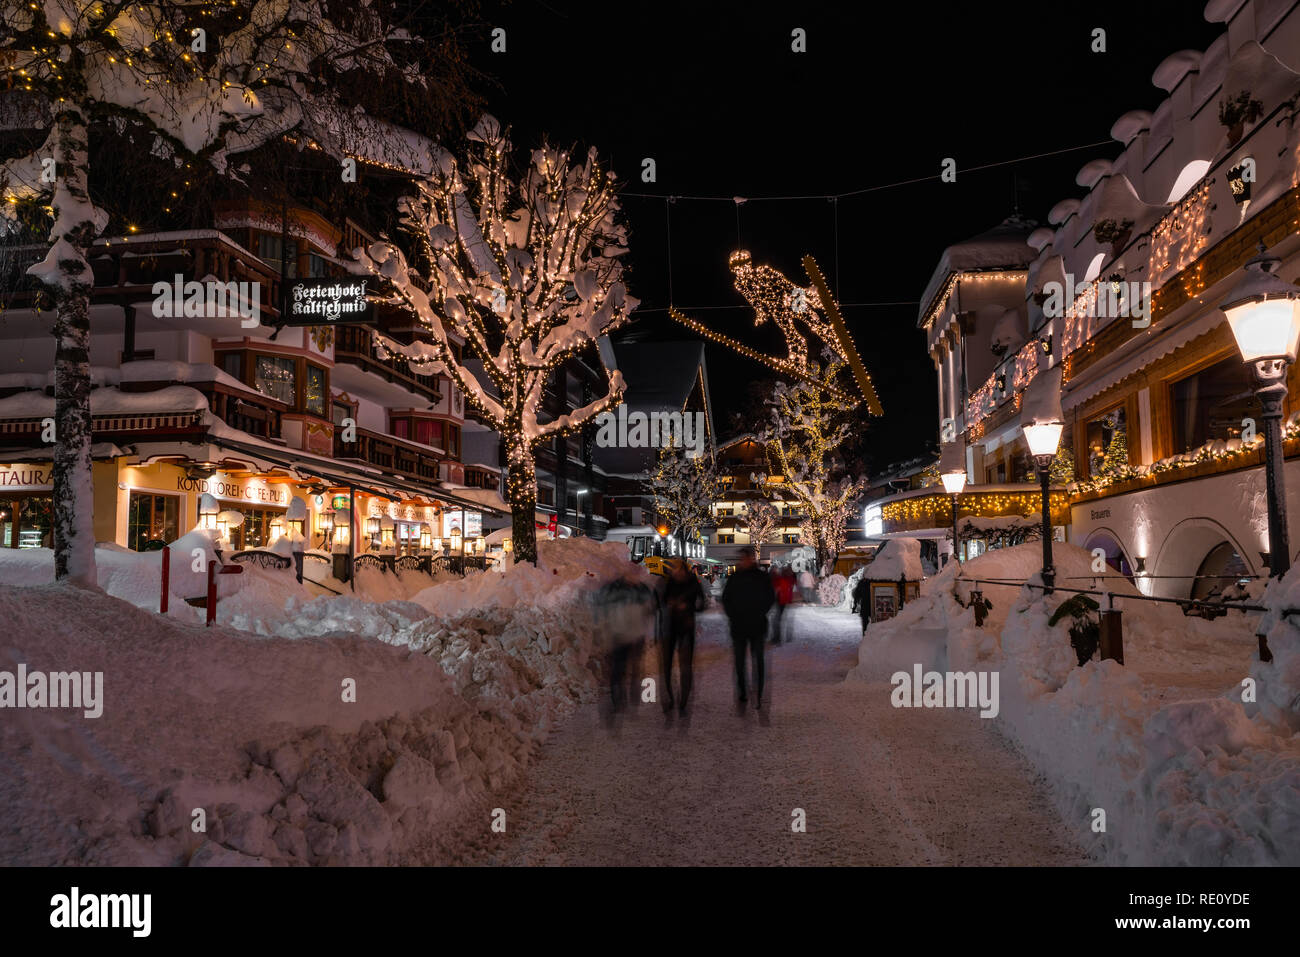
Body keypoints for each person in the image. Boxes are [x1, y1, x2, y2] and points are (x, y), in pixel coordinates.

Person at [592, 572, 655, 715]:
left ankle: (631, 697)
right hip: (620, 635)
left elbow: (650, 609)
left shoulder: (641, 590)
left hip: (635, 634)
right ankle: (619, 700)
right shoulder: (616, 590)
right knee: (620, 668)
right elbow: (602, 605)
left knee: (634, 667)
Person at [722, 546, 776, 710]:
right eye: (742, 559)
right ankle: (743, 692)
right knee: (739, 663)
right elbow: (726, 599)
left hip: (756, 625)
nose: (743, 561)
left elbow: (770, 598)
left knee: (757, 661)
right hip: (739, 626)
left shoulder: (761, 577)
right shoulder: (735, 577)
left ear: (752, 559)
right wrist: (733, 615)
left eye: (746, 558)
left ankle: (758, 694)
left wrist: (760, 612)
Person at [658, 559, 706, 716]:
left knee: (686, 666)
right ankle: (670, 698)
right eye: (673, 569)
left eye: (677, 569)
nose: (675, 572)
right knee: (667, 665)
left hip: (686, 627)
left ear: (683, 569)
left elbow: (702, 604)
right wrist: (670, 602)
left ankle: (683, 700)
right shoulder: (670, 581)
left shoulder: (692, 581)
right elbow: (663, 600)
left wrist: (689, 606)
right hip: (670, 627)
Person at [771, 565, 795, 644]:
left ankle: (778, 638)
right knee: (779, 619)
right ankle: (782, 637)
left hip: (781, 601)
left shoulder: (782, 579)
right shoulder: (787, 579)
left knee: (777, 620)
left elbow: (777, 590)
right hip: (783, 601)